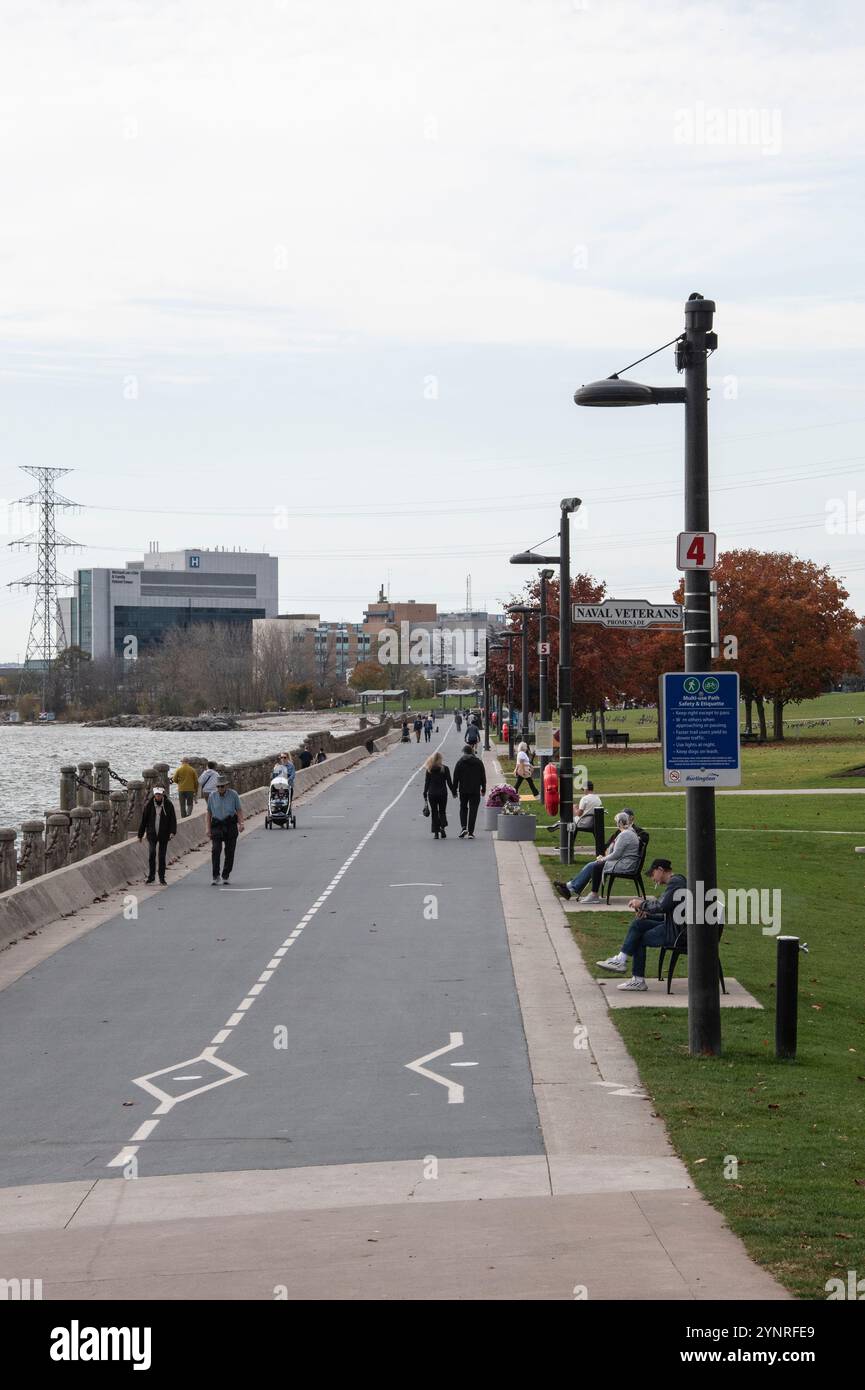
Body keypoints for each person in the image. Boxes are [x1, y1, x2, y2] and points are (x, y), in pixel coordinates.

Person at [596, 858, 687, 992]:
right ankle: (621, 959)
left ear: (660, 870)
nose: (652, 878)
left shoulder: (675, 883)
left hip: (677, 933)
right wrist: (647, 914)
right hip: (676, 926)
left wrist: (642, 904)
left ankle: (636, 978)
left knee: (638, 938)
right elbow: (667, 911)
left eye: (652, 874)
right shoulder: (678, 881)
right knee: (639, 923)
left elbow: (662, 906)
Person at [553, 811, 640, 904]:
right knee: (593, 865)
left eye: (616, 822)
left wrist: (603, 859)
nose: (616, 824)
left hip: (624, 864)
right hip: (623, 861)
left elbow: (616, 854)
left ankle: (591, 894)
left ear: (620, 823)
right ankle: (569, 888)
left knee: (595, 866)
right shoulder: (628, 832)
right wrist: (603, 858)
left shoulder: (625, 834)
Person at [206, 773, 245, 886]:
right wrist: (207, 828)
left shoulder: (233, 795)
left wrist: (241, 823)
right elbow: (208, 813)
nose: (220, 789)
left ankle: (225, 875)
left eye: (222, 786)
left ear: (226, 786)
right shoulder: (212, 796)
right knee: (216, 850)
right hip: (217, 825)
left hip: (230, 824)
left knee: (230, 851)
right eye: (218, 786)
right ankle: (215, 875)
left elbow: (239, 810)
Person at [138, 785, 177, 885]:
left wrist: (172, 832)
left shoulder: (168, 805)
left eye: (159, 794)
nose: (158, 796)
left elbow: (173, 819)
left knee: (162, 856)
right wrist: (140, 834)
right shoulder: (149, 805)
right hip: (152, 834)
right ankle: (151, 877)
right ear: (154, 795)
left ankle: (161, 877)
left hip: (164, 834)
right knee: (152, 854)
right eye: (156, 795)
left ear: (163, 794)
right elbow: (144, 820)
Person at [452, 743, 486, 838]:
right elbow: (483, 777)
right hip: (475, 790)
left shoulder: (459, 762)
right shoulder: (478, 762)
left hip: (463, 790)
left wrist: (454, 791)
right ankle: (471, 832)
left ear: (464, 752)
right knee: (473, 810)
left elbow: (455, 778)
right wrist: (483, 789)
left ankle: (464, 827)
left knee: (463, 808)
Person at [423, 750, 454, 839]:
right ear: (440, 759)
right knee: (442, 811)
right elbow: (449, 782)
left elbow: (427, 783)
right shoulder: (445, 769)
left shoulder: (429, 769)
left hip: (432, 794)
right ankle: (442, 827)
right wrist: (453, 792)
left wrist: (425, 793)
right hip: (442, 793)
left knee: (434, 812)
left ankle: (436, 832)